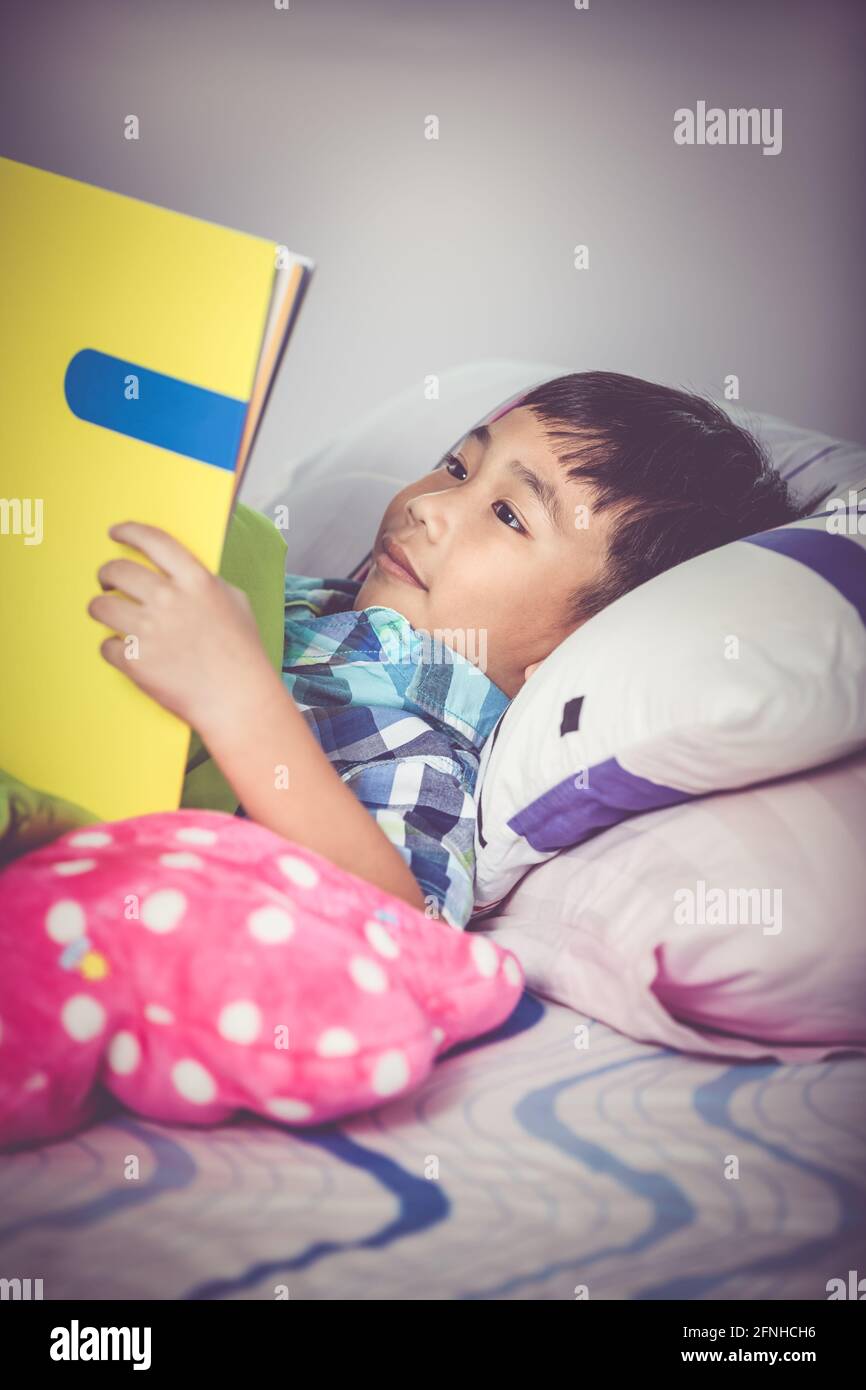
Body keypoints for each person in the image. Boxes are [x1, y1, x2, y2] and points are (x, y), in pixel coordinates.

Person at [87, 371, 811, 928]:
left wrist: (237, 700)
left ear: (577, 649)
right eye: (458, 467)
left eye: (507, 514)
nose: (427, 506)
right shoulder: (311, 600)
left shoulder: (421, 748)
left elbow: (401, 921)